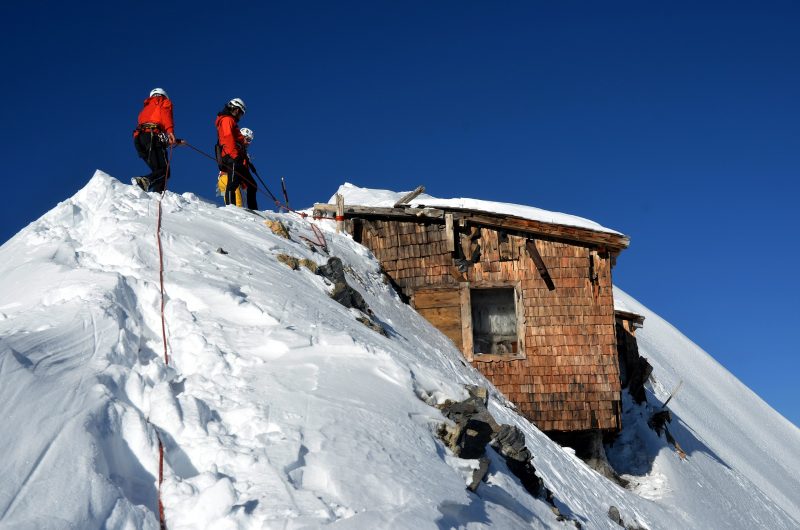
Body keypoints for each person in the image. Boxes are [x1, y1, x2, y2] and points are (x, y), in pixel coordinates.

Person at [132, 88, 178, 192]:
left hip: (139, 139)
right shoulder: (163, 101)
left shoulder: (146, 109)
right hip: (152, 136)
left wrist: (176, 141)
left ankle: (157, 193)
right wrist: (170, 131)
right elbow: (166, 115)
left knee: (158, 171)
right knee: (165, 172)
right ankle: (144, 181)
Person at [215, 98, 258, 210]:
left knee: (252, 185)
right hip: (230, 156)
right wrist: (235, 155)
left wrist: (243, 142)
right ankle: (231, 208)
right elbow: (228, 137)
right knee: (233, 184)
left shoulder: (231, 121)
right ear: (237, 110)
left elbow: (237, 136)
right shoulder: (226, 120)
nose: (240, 116)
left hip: (234, 157)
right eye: (241, 114)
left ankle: (254, 210)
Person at [216, 127, 254, 207]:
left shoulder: (241, 151)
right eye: (248, 139)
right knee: (237, 206)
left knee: (236, 205)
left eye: (250, 140)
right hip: (229, 178)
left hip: (225, 180)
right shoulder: (236, 149)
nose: (249, 143)